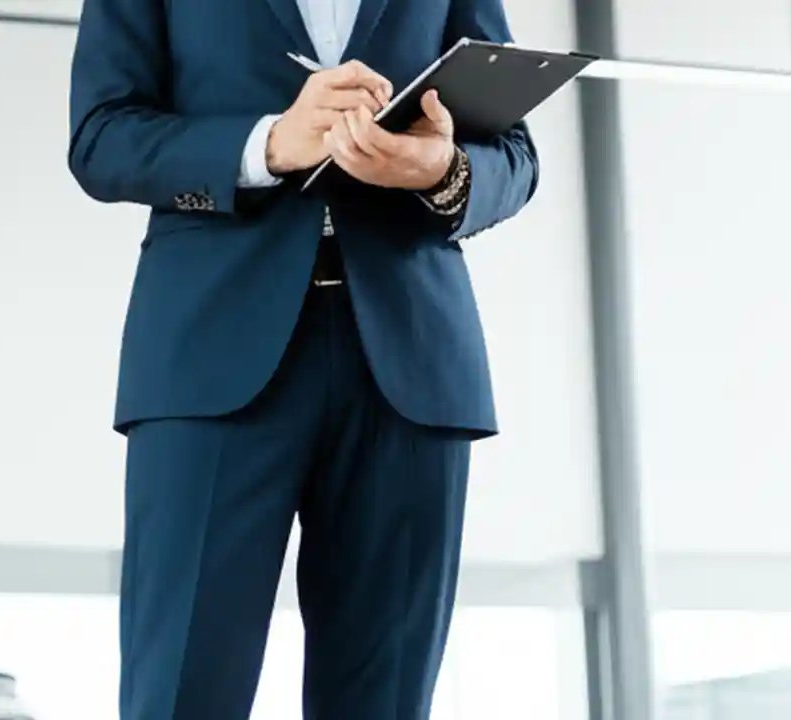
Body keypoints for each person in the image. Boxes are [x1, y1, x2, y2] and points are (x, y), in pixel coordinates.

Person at [69, 0, 538, 716]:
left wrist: (440, 169)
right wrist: (269, 144)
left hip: (412, 363)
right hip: (209, 355)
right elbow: (101, 137)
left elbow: (513, 155)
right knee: (181, 695)